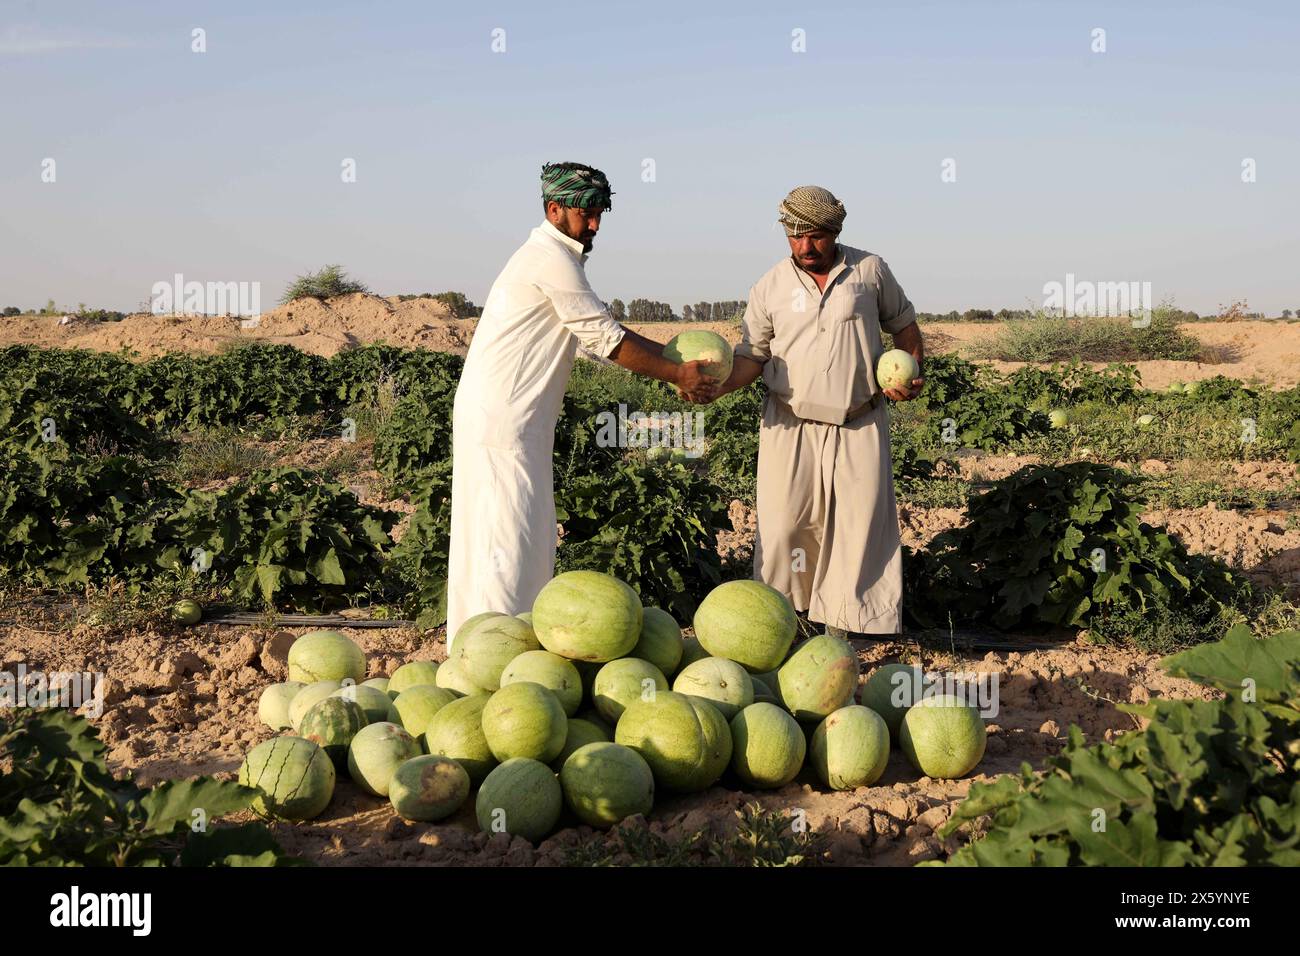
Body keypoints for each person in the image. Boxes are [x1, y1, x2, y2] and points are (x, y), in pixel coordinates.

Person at [446, 161, 718, 647]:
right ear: (554, 209)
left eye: (600, 213)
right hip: (503, 425)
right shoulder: (549, 260)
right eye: (585, 213)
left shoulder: (556, 258)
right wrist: (677, 372)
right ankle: (488, 652)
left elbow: (598, 332)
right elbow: (606, 338)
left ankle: (508, 646)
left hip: (516, 424)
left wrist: (675, 360)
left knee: (525, 538)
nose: (594, 225)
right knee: (502, 544)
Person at [713, 185, 925, 639]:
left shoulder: (869, 271)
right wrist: (719, 387)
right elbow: (752, 355)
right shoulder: (769, 286)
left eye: (817, 236)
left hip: (859, 420)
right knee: (786, 526)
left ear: (836, 231)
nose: (805, 247)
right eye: (795, 236)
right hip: (790, 423)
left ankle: (838, 639)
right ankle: (782, 627)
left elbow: (905, 326)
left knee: (855, 529)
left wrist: (911, 371)